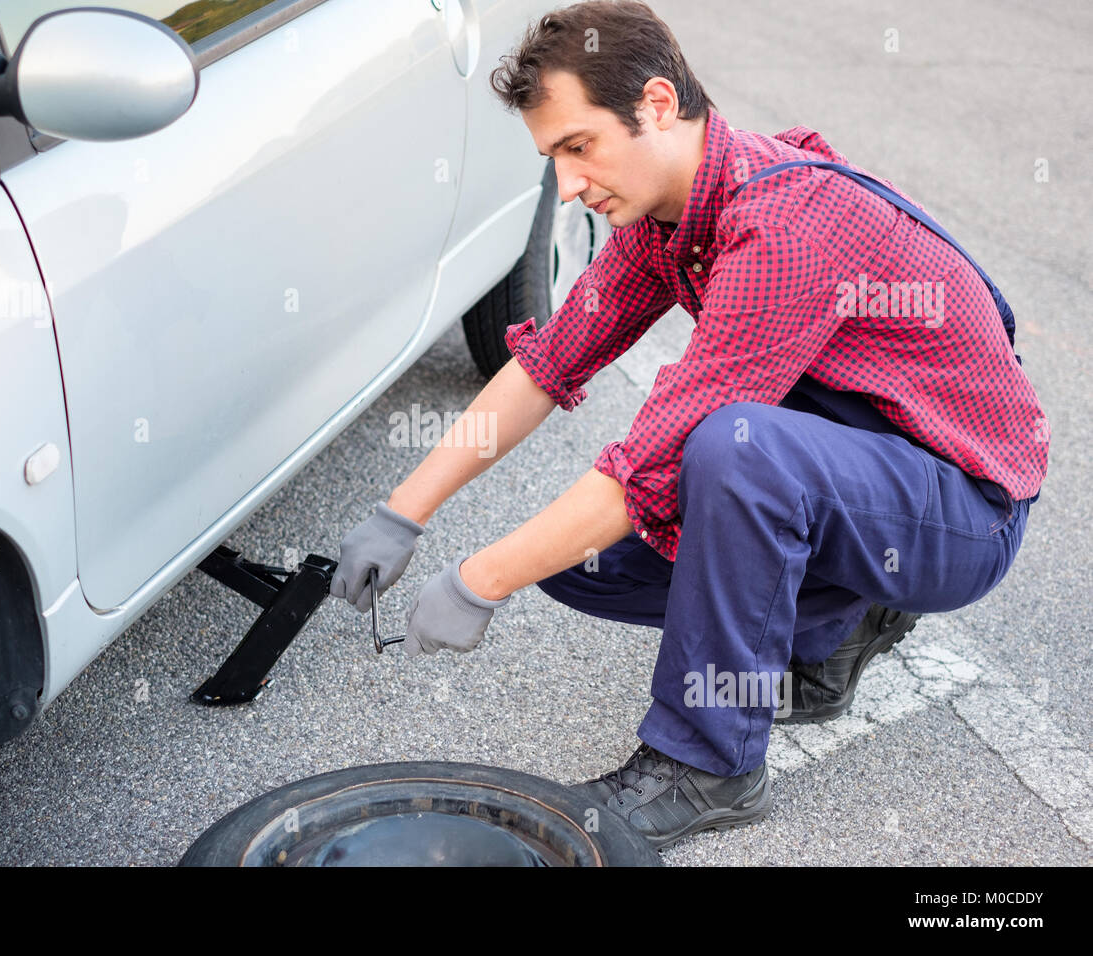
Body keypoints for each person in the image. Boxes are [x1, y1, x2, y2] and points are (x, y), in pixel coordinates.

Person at [329, 0, 1047, 851]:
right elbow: (547, 362)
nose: (566, 185)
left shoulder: (784, 225)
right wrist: (403, 511)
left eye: (577, 146)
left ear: (659, 105)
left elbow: (657, 460)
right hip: (872, 472)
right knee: (581, 566)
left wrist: (478, 578)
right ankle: (846, 618)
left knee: (733, 449)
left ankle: (710, 764)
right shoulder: (669, 214)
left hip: (961, 508)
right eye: (551, 157)